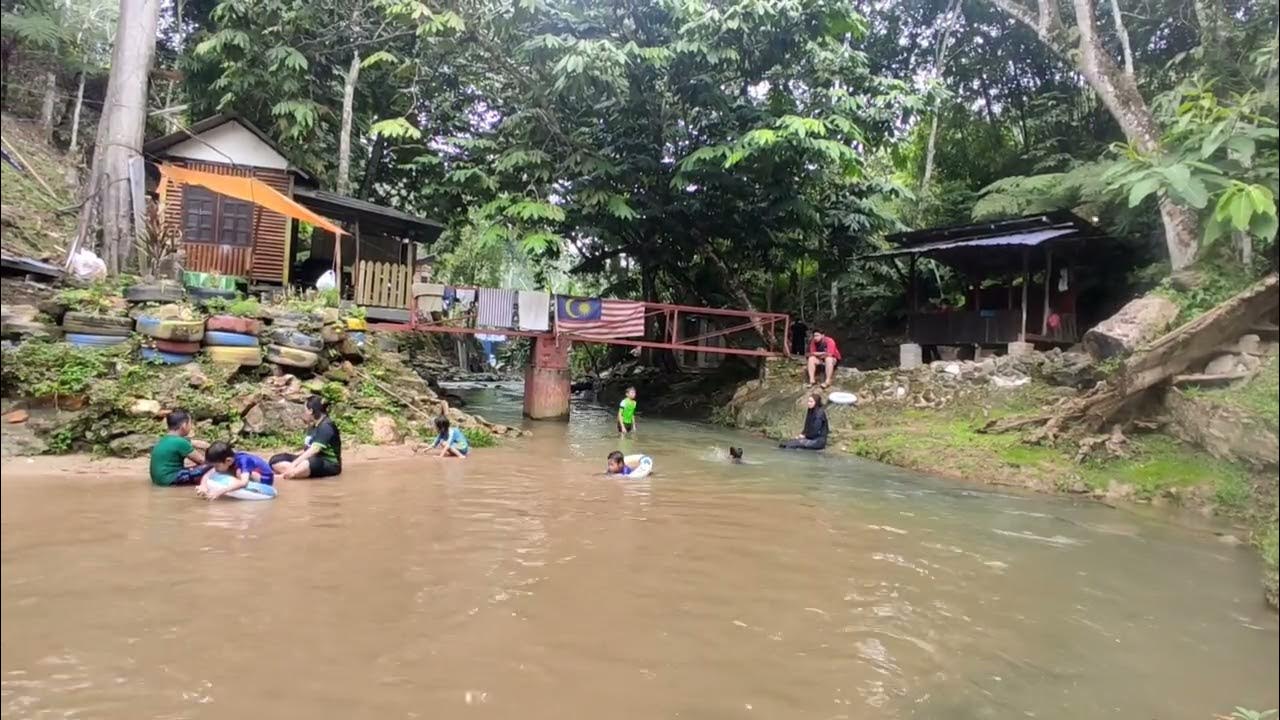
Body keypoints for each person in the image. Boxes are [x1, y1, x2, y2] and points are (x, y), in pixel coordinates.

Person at [269, 395, 342, 479]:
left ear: (310, 411)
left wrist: (294, 463)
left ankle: (283, 476)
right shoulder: (313, 426)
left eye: (305, 410)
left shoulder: (326, 426)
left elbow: (314, 450)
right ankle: (295, 472)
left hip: (328, 464)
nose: (303, 413)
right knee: (275, 459)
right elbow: (307, 449)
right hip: (311, 459)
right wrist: (293, 457)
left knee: (307, 463)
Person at [149, 409, 210, 486]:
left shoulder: (165, 439)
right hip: (169, 479)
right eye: (191, 423)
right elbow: (202, 461)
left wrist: (212, 447)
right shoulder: (180, 442)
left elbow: (198, 443)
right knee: (211, 465)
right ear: (184, 426)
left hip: (158, 480)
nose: (191, 426)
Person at [197, 442, 276, 500]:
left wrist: (220, 492)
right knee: (224, 472)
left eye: (217, 465)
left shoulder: (244, 461)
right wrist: (203, 486)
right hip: (247, 474)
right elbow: (208, 474)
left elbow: (244, 483)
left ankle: (250, 487)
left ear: (228, 461)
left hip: (263, 480)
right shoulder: (226, 461)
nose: (215, 468)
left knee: (238, 472)